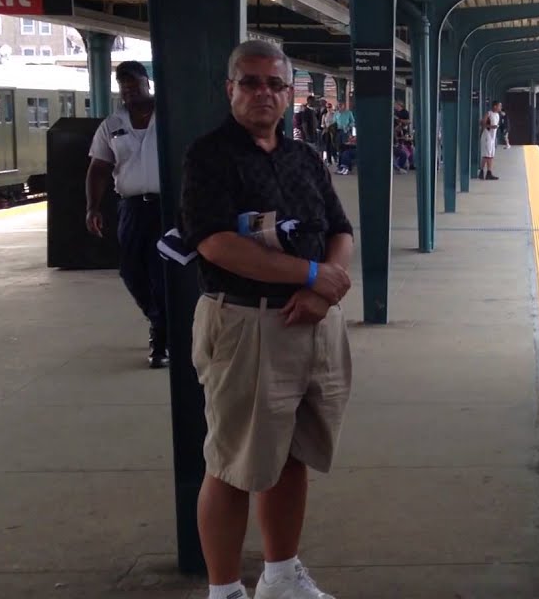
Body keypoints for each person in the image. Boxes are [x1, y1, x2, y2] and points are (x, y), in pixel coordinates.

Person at [180, 40, 354, 599]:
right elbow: (215, 243)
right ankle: (225, 589)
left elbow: (339, 230)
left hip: (312, 326)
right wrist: (308, 277)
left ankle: (281, 577)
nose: (264, 93)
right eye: (251, 82)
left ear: (289, 94)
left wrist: (325, 291)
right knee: (234, 461)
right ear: (230, 88)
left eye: (275, 84)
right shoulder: (209, 156)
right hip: (246, 324)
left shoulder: (303, 158)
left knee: (293, 455)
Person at [85, 60, 169, 369]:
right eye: (124, 88)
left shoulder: (170, 114)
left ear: (148, 83)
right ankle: (159, 321)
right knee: (132, 272)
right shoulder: (112, 124)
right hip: (132, 208)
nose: (130, 92)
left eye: (135, 85)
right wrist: (92, 207)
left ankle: (161, 340)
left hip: (167, 207)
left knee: (161, 275)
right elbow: (99, 168)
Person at [479, 100, 501, 180]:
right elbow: (482, 123)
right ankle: (489, 172)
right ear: (495, 106)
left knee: (490, 155)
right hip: (486, 136)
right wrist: (490, 126)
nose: (500, 107)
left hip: (492, 137)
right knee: (487, 155)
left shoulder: (497, 115)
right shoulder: (489, 113)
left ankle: (482, 172)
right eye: (499, 106)